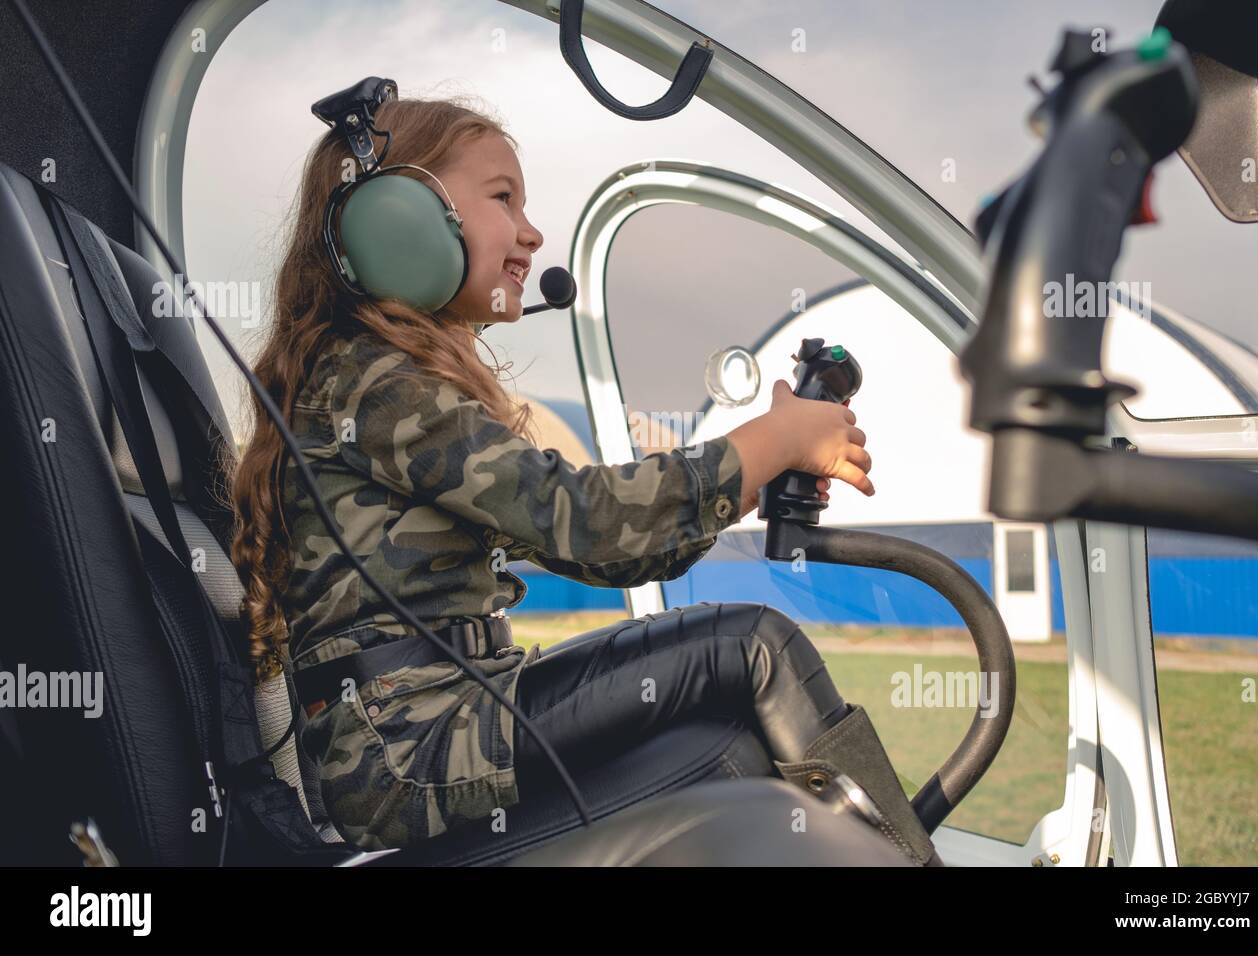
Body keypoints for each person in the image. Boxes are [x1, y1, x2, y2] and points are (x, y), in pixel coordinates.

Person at [227, 94, 908, 858]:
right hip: (407, 749)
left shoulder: (372, 379)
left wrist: (753, 470)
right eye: (503, 198)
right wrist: (767, 443)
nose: (531, 232)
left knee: (727, 725)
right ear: (398, 220)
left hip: (431, 727)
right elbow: (585, 521)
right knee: (755, 649)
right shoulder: (372, 381)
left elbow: (602, 547)